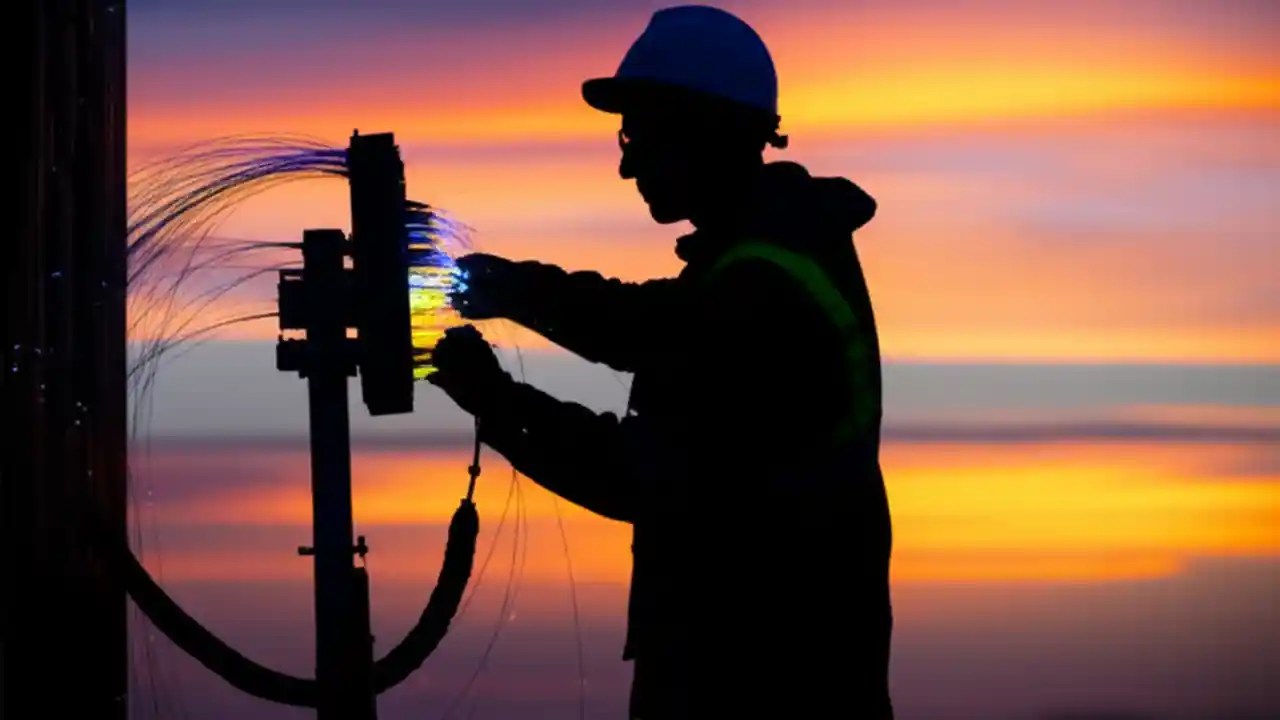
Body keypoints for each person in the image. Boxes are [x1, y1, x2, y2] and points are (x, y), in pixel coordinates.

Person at [427, 5, 893, 718]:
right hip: (779, 666)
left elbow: (641, 475)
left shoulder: (762, 285)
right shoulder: (768, 255)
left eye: (639, 136)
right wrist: (512, 289)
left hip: (757, 680)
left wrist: (493, 398)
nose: (626, 163)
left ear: (700, 131)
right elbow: (653, 326)